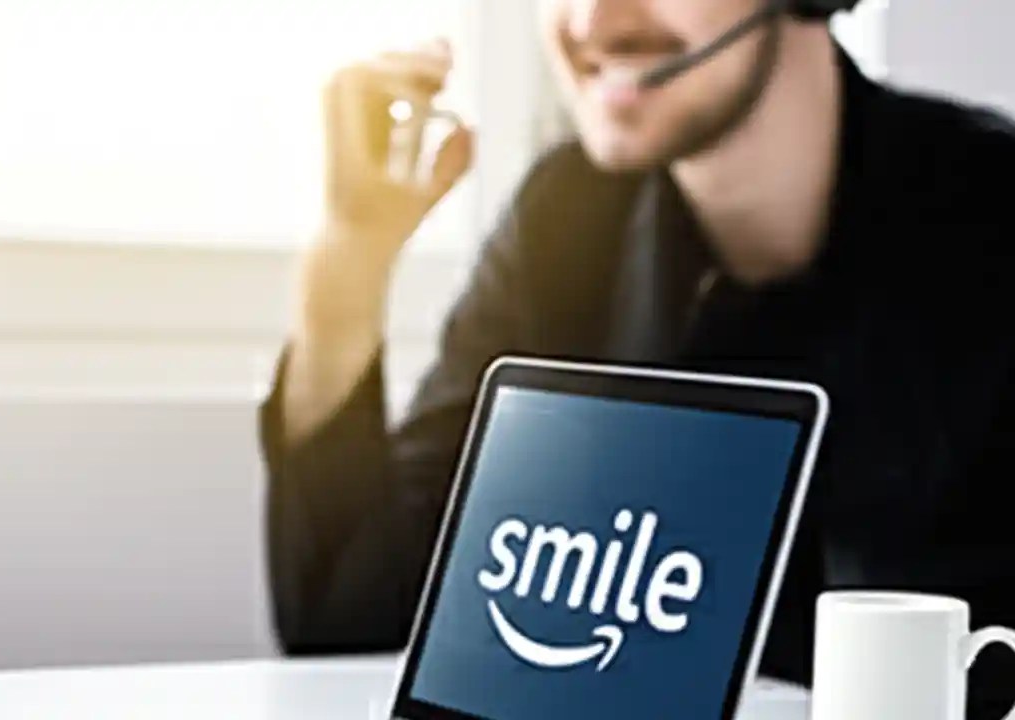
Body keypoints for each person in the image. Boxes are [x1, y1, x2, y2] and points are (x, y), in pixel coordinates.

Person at [257, 0, 1015, 715]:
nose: (592, 21)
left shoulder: (992, 217)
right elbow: (353, 618)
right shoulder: (568, 219)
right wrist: (348, 264)